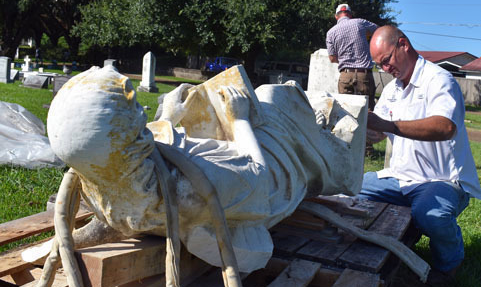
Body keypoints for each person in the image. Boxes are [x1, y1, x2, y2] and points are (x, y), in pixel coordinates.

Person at [47, 65, 367, 273]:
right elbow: (256, 174)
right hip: (270, 178)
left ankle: (316, 118)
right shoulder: (186, 192)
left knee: (240, 103)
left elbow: (141, 146)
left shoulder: (103, 177)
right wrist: (240, 119)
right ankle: (336, 152)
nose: (142, 112)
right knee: (273, 98)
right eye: (134, 112)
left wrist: (169, 116)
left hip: (215, 163)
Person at [358, 25, 481, 283]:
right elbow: (379, 133)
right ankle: (378, 247)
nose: (385, 69)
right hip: (401, 178)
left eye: (387, 60)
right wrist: (364, 127)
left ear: (403, 44)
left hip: (442, 180)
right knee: (348, 189)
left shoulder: (438, 80)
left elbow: (445, 127)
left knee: (431, 214)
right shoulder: (393, 89)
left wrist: (387, 126)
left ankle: (450, 264)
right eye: (379, 65)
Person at [326, 4, 378, 109]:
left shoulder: (330, 32)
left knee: (345, 112)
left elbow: (332, 58)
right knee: (367, 113)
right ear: (350, 14)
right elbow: (379, 31)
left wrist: (344, 59)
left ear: (336, 16)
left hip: (345, 75)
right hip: (364, 75)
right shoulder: (360, 22)